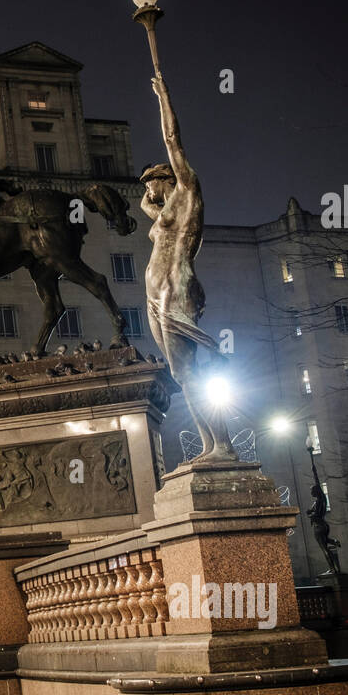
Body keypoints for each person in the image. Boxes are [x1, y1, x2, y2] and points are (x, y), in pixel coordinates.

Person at [141, 73, 237, 462]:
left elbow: (172, 141)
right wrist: (150, 204)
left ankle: (224, 445)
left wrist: (164, 96)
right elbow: (148, 210)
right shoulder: (163, 209)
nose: (147, 192)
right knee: (182, 375)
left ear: (166, 178)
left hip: (177, 288)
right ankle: (211, 446)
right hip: (156, 291)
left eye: (151, 183)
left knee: (191, 371)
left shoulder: (186, 190)